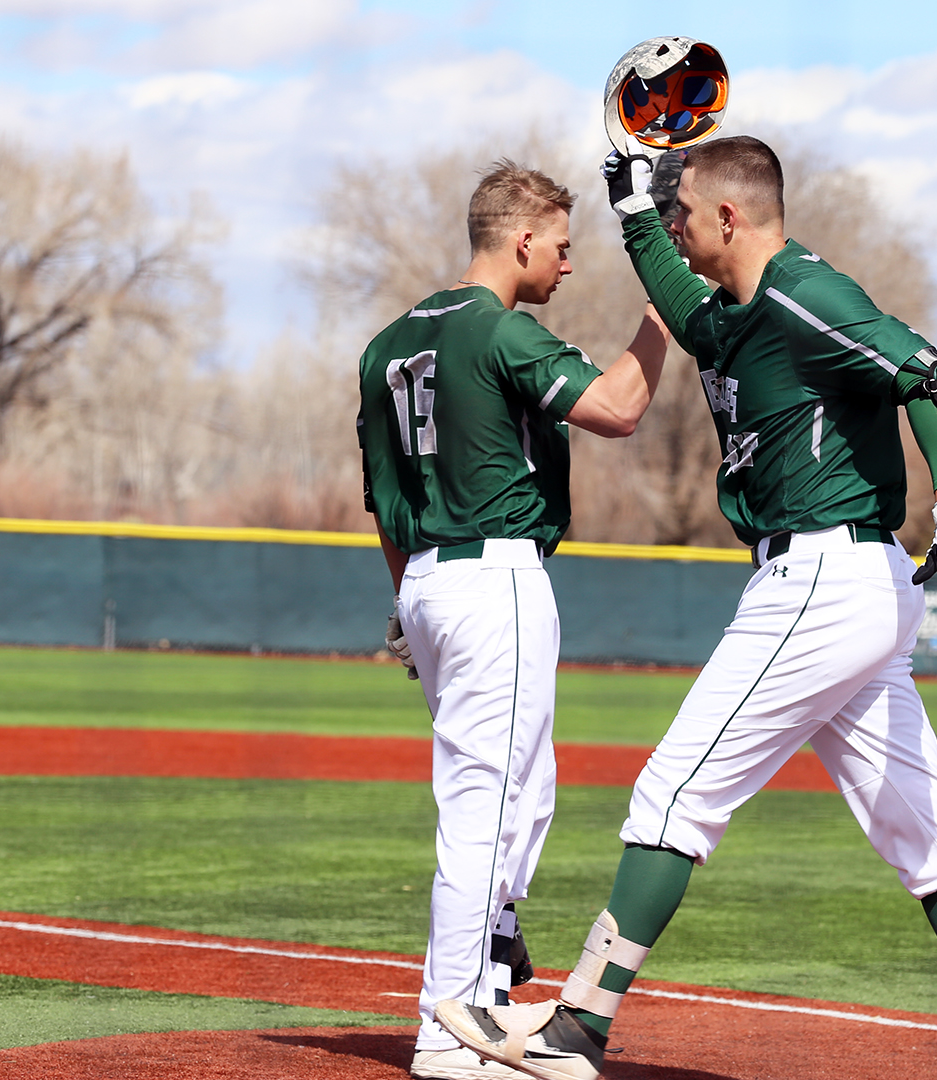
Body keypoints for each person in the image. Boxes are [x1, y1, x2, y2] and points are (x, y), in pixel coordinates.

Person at [435, 136, 937, 1080]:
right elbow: (681, 306)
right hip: (852, 587)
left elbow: (933, 378)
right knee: (923, 828)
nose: (674, 228)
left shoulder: (808, 293)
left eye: (684, 215)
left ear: (730, 217)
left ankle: (577, 1029)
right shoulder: (733, 312)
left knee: (674, 794)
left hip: (820, 580)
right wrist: (634, 213)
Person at [358, 160, 671, 1080]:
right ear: (522, 236)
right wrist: (666, 317)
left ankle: (487, 974)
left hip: (426, 581)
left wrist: (408, 614)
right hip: (494, 579)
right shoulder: (500, 329)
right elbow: (616, 406)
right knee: (486, 806)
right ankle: (448, 1032)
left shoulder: (386, 344)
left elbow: (384, 503)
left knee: (523, 790)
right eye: (562, 245)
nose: (568, 264)